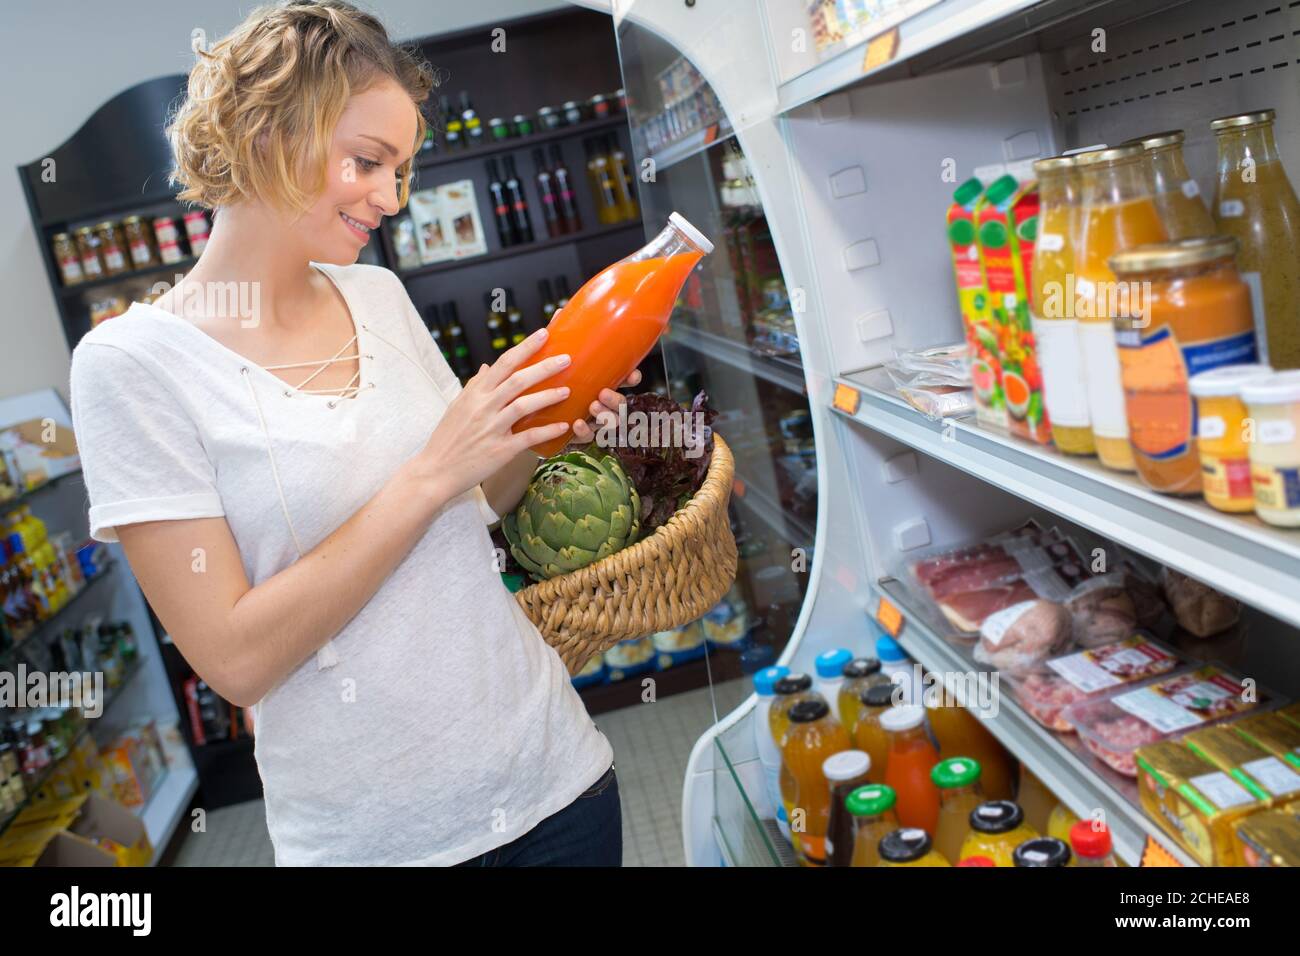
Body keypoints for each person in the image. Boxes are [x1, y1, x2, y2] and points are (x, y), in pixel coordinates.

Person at [69, 0, 637, 866]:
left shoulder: (375, 295)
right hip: (378, 840)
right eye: (369, 162)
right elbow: (237, 659)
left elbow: (475, 501)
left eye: (403, 170)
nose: (392, 198)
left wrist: (544, 424)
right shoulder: (131, 367)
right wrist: (429, 474)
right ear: (268, 133)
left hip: (553, 778)